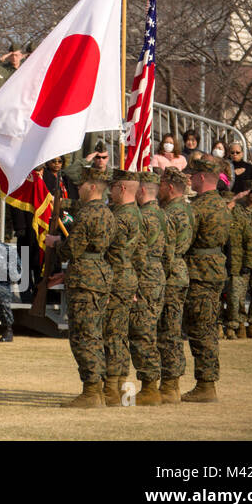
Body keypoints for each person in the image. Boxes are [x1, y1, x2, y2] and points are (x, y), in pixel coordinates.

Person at [47, 168, 114, 408]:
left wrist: (56, 243)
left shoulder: (87, 216)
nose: (79, 189)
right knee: (95, 333)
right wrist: (59, 200)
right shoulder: (106, 212)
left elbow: (71, 249)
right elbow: (76, 207)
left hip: (85, 277)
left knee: (83, 336)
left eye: (82, 185)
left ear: (92, 187)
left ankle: (92, 390)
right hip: (99, 275)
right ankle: (100, 386)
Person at [180, 154, 232, 402]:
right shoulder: (222, 204)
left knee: (201, 329)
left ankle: (206, 384)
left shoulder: (198, 208)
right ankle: (207, 381)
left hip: (199, 272)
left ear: (202, 177)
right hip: (214, 270)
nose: (189, 178)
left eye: (193, 175)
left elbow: (184, 242)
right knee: (208, 327)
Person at [101, 169, 142, 406]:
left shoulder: (120, 217)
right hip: (127, 277)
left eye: (113, 186)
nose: (110, 190)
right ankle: (120, 389)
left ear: (122, 188)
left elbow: (108, 250)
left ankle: (113, 389)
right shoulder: (136, 214)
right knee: (119, 335)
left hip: (115, 278)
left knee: (112, 335)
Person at [128, 170, 167, 404]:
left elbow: (137, 253)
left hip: (143, 277)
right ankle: (157, 385)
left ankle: (150, 387)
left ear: (142, 190)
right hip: (159, 274)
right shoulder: (165, 215)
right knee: (151, 331)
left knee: (142, 333)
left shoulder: (142, 218)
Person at [155, 167, 193, 403]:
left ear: (169, 187)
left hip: (170, 275)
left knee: (167, 332)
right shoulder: (185, 209)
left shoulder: (172, 212)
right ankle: (171, 383)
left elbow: (167, 250)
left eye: (159, 184)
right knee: (171, 330)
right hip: (179, 273)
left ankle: (170, 385)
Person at [224, 181, 252, 339]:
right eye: (251, 191)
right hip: (238, 260)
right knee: (238, 296)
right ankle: (241, 325)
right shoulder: (237, 211)